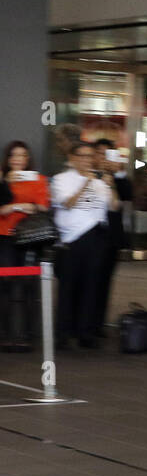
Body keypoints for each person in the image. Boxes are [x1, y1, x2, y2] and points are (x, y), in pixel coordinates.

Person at [50, 142, 117, 348]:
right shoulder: (61, 179)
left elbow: (114, 206)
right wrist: (86, 183)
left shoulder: (99, 181)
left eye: (90, 156)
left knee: (91, 286)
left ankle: (85, 332)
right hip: (72, 239)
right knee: (68, 286)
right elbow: (67, 203)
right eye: (83, 156)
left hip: (97, 237)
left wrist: (110, 184)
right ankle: (63, 333)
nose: (87, 160)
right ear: (72, 158)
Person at [0, 141, 51, 352]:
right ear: (8, 158)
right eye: (14, 155)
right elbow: (2, 210)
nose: (18, 159)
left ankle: (26, 334)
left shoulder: (37, 179)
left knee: (29, 286)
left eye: (22, 155)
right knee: (4, 286)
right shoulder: (3, 178)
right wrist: (20, 205)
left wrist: (13, 208)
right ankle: (5, 333)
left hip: (30, 238)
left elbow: (42, 207)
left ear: (28, 158)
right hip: (4, 236)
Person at [92, 138, 133, 337]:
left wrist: (118, 173)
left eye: (108, 153)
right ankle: (81, 324)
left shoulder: (117, 177)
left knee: (104, 282)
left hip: (110, 238)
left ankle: (97, 324)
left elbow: (128, 195)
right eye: (99, 153)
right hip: (89, 235)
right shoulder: (86, 176)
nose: (103, 158)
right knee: (87, 281)